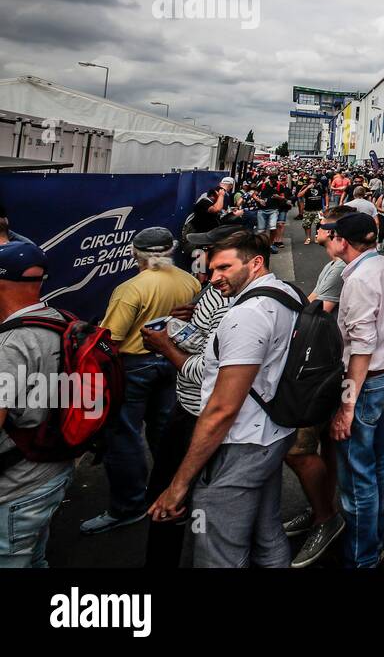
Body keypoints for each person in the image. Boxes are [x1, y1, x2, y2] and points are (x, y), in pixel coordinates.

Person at [147, 230, 299, 567]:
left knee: (218, 550)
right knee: (266, 532)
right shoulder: (285, 292)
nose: (214, 278)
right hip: (271, 434)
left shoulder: (247, 315)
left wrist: (179, 484)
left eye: (225, 268)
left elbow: (221, 409)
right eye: (212, 269)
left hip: (241, 443)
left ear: (256, 263)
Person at [80, 227, 200, 536]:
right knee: (165, 431)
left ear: (136, 254)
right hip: (173, 361)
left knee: (123, 434)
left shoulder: (131, 288)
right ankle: (170, 493)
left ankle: (129, 506)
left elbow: (112, 340)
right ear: (170, 250)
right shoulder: (188, 280)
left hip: (134, 366)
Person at [139, 223, 241, 568]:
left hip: (201, 410)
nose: (208, 264)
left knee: (178, 495)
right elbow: (203, 334)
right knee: (171, 489)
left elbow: (212, 367)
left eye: (217, 259)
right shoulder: (212, 288)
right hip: (187, 403)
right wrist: (190, 317)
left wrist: (168, 346)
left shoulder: (237, 306)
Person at [326, 212, 384, 568]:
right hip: (382, 374)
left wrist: (346, 404)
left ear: (344, 241)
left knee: (356, 475)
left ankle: (363, 557)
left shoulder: (360, 279)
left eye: (332, 235)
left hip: (364, 380)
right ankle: (374, 535)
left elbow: (361, 345)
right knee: (374, 462)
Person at [280, 207, 351, 567]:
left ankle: (326, 515)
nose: (315, 226)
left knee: (298, 448)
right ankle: (321, 506)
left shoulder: (339, 267)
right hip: (326, 364)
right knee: (326, 445)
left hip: (322, 366)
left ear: (335, 233)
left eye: (321, 225)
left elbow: (317, 309)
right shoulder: (333, 264)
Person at [0, 242, 75, 567]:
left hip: (17, 487)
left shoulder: (10, 345)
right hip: (54, 468)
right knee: (35, 557)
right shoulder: (60, 319)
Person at [298, 174, 326, 245]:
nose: (312, 184)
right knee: (307, 225)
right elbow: (299, 195)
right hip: (308, 210)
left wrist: (326, 205)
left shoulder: (320, 187)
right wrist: (307, 188)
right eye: (310, 182)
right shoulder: (305, 188)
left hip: (318, 210)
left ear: (316, 182)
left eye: (314, 182)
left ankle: (317, 237)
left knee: (319, 224)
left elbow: (326, 194)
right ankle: (308, 238)